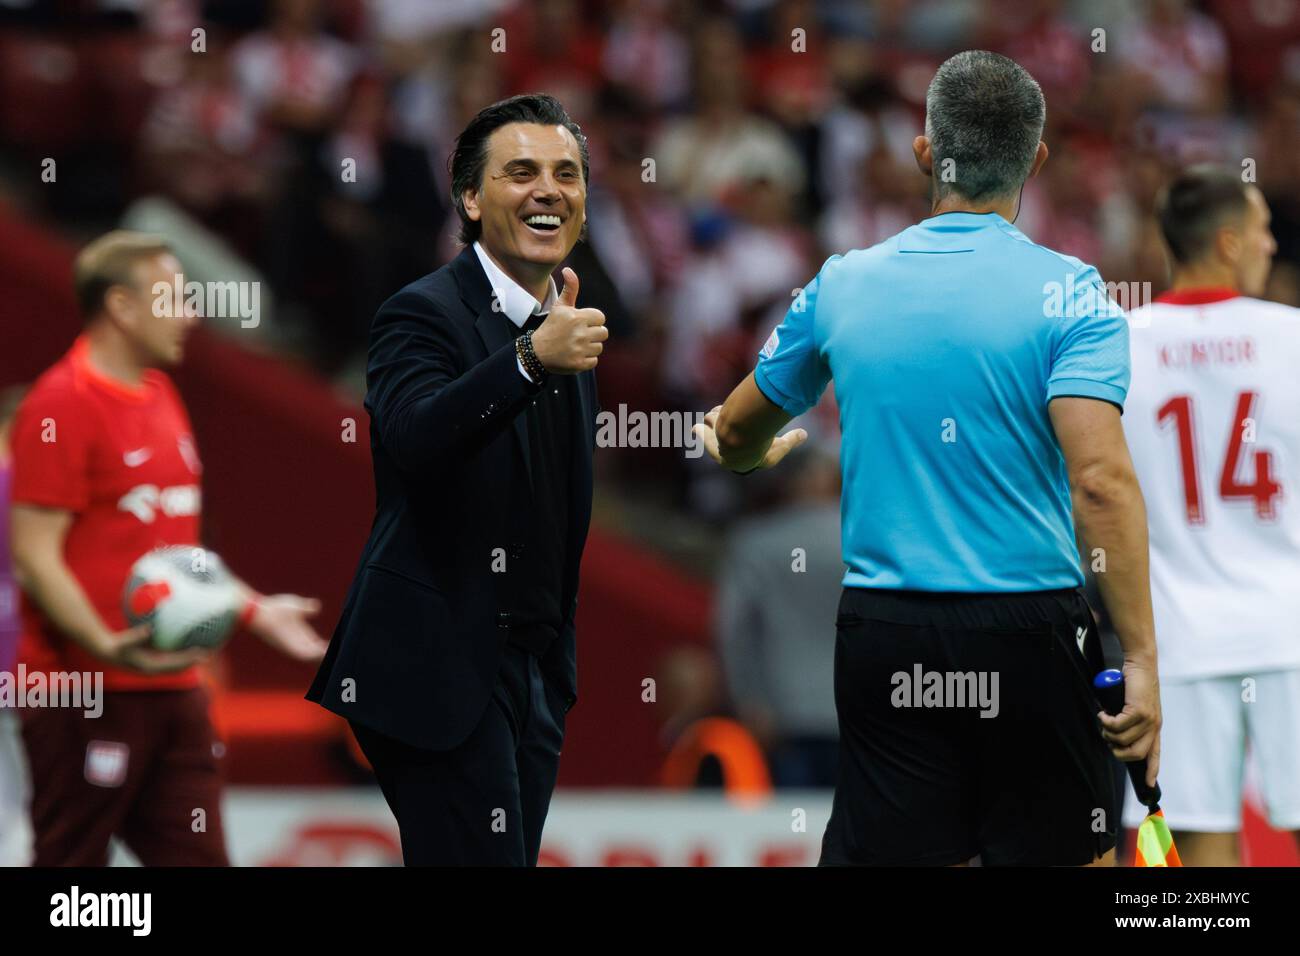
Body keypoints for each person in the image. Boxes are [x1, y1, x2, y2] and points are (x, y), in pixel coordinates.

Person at [694, 51, 1160, 866]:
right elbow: (1098, 479)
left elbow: (732, 432)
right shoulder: (1075, 293)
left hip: (888, 631)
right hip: (1033, 628)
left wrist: (748, 454)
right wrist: (1145, 657)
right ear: (1036, 161)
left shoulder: (843, 283)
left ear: (923, 153)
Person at [307, 93, 604, 866]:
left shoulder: (565, 328)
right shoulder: (422, 313)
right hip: (439, 671)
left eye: (567, 173)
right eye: (522, 171)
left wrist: (554, 672)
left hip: (531, 677)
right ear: (470, 198)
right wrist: (531, 358)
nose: (551, 189)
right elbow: (413, 436)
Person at [9, 231, 326, 866]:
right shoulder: (61, 402)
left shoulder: (161, 395)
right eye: (174, 297)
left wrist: (254, 610)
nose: (191, 312)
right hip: (84, 690)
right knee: (71, 877)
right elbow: (34, 555)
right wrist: (102, 643)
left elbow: (175, 553)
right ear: (123, 307)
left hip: (175, 686)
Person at [1121, 167, 1299, 866]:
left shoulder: (1118, 342)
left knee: (1197, 845)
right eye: (1263, 232)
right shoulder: (1292, 336)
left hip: (1177, 637)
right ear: (1228, 243)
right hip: (1291, 628)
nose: (1272, 246)